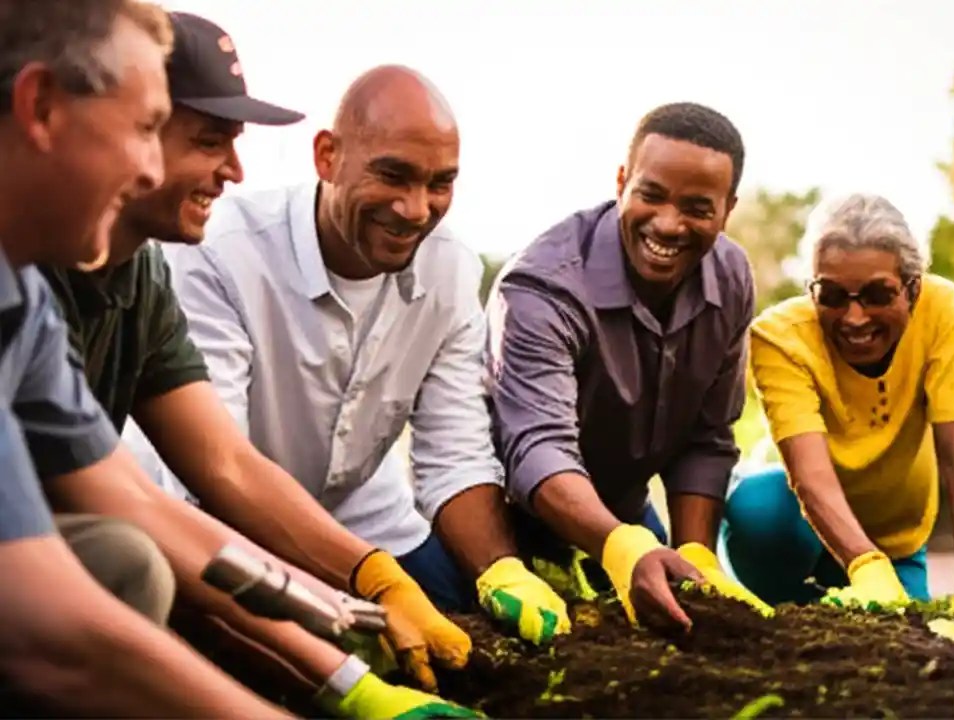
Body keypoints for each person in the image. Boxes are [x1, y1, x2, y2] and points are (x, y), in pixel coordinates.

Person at [40, 14, 477, 719]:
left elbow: (226, 464)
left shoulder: (138, 275)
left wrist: (373, 585)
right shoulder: (42, 276)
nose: (235, 171)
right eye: (207, 142)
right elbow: (147, 509)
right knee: (127, 565)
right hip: (60, 556)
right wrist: (347, 684)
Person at [131, 63, 569, 649]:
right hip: (227, 520)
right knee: (302, 652)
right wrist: (362, 589)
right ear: (327, 156)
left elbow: (455, 454)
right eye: (393, 176)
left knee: (482, 634)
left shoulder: (450, 268)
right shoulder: (219, 253)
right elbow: (219, 474)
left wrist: (500, 570)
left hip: (369, 519)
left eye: (440, 183)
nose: (416, 208)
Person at [0, 1, 288, 715]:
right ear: (39, 106)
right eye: (145, 128)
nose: (149, 167)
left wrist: (346, 651)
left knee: (122, 558)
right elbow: (49, 620)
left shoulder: (23, 289)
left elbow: (137, 497)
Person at [485, 101, 770, 632]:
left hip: (620, 513)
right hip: (503, 520)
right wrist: (623, 549)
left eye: (697, 207)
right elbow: (537, 448)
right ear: (621, 181)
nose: (668, 224)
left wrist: (695, 555)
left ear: (727, 209)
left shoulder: (730, 276)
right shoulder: (543, 288)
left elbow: (707, 439)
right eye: (651, 195)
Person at [718, 192, 954, 635]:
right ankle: (790, 614)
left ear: (912, 287)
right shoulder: (779, 336)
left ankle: (851, 599)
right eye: (831, 295)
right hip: (798, 527)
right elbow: (809, 479)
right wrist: (866, 568)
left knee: (904, 633)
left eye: (875, 295)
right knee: (761, 512)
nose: (854, 318)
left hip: (896, 542)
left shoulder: (941, 307)